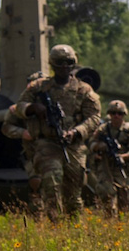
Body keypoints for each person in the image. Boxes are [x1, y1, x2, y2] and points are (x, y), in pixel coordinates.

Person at [16, 45, 101, 220]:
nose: (65, 66)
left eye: (69, 63)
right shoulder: (38, 87)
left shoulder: (84, 90)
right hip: (47, 144)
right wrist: (32, 108)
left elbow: (94, 117)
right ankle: (56, 226)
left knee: (74, 194)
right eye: (60, 63)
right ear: (53, 64)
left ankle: (75, 229)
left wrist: (76, 132)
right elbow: (19, 107)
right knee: (52, 184)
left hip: (74, 146)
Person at [88, 100, 129, 217]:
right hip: (106, 167)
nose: (116, 116)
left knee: (125, 198)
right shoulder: (102, 130)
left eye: (119, 113)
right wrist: (100, 146)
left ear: (123, 115)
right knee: (105, 193)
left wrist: (123, 157)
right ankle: (109, 219)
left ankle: (123, 224)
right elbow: (91, 144)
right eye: (113, 113)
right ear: (109, 114)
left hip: (123, 168)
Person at [2, 71, 45, 215]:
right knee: (36, 183)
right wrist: (22, 133)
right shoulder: (18, 110)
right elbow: (6, 128)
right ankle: (39, 218)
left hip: (56, 151)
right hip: (33, 153)